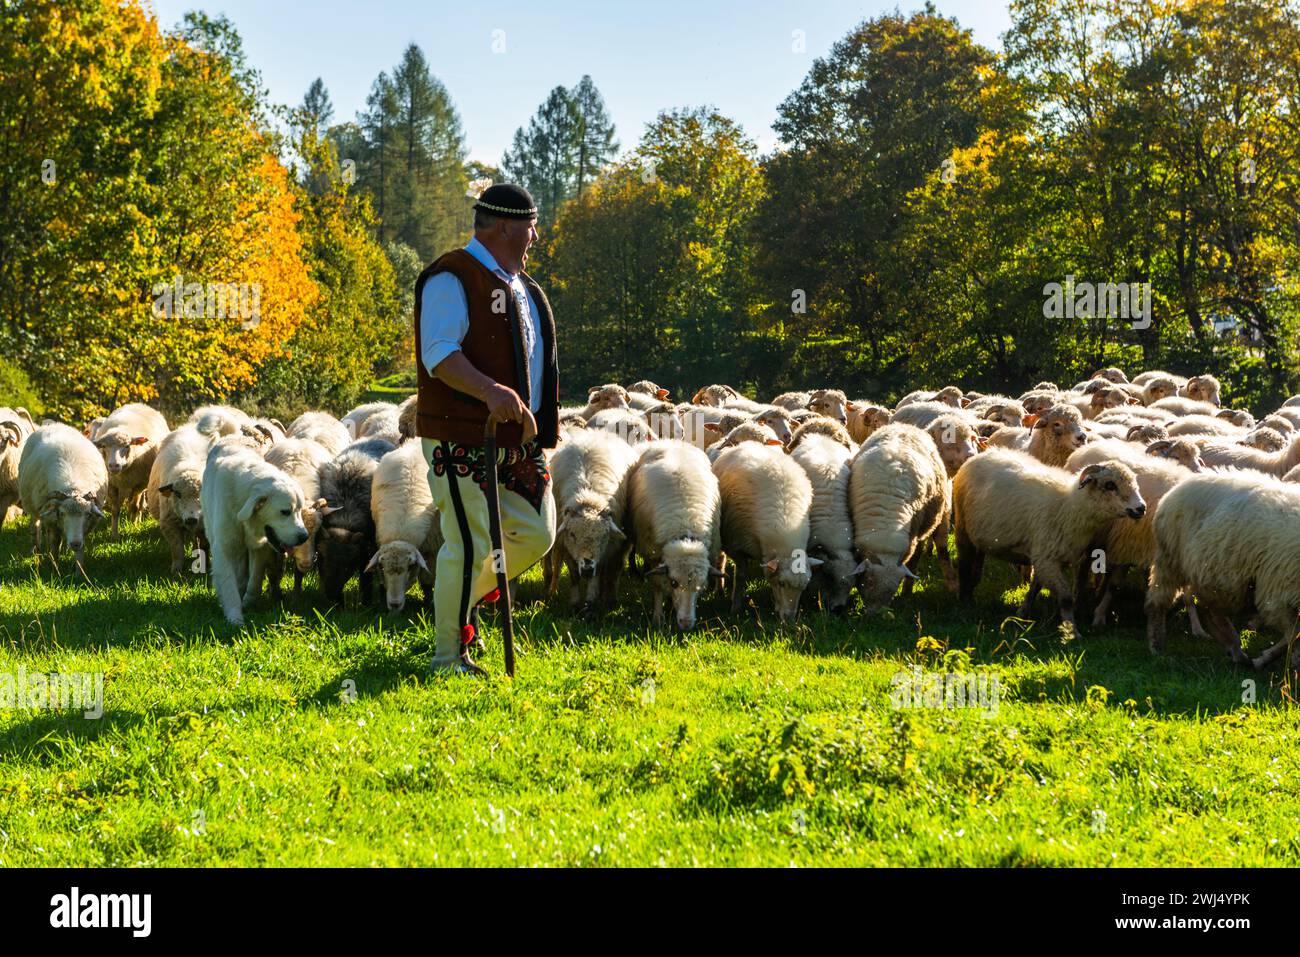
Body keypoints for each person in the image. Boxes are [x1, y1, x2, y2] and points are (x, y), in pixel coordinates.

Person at [413, 183, 559, 675]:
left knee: (537, 532)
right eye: (529, 226)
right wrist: (491, 392)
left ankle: (453, 602)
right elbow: (439, 354)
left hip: (516, 439)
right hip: (460, 434)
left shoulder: (520, 286)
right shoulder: (452, 277)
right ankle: (448, 656)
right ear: (503, 227)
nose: (535, 236)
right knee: (472, 541)